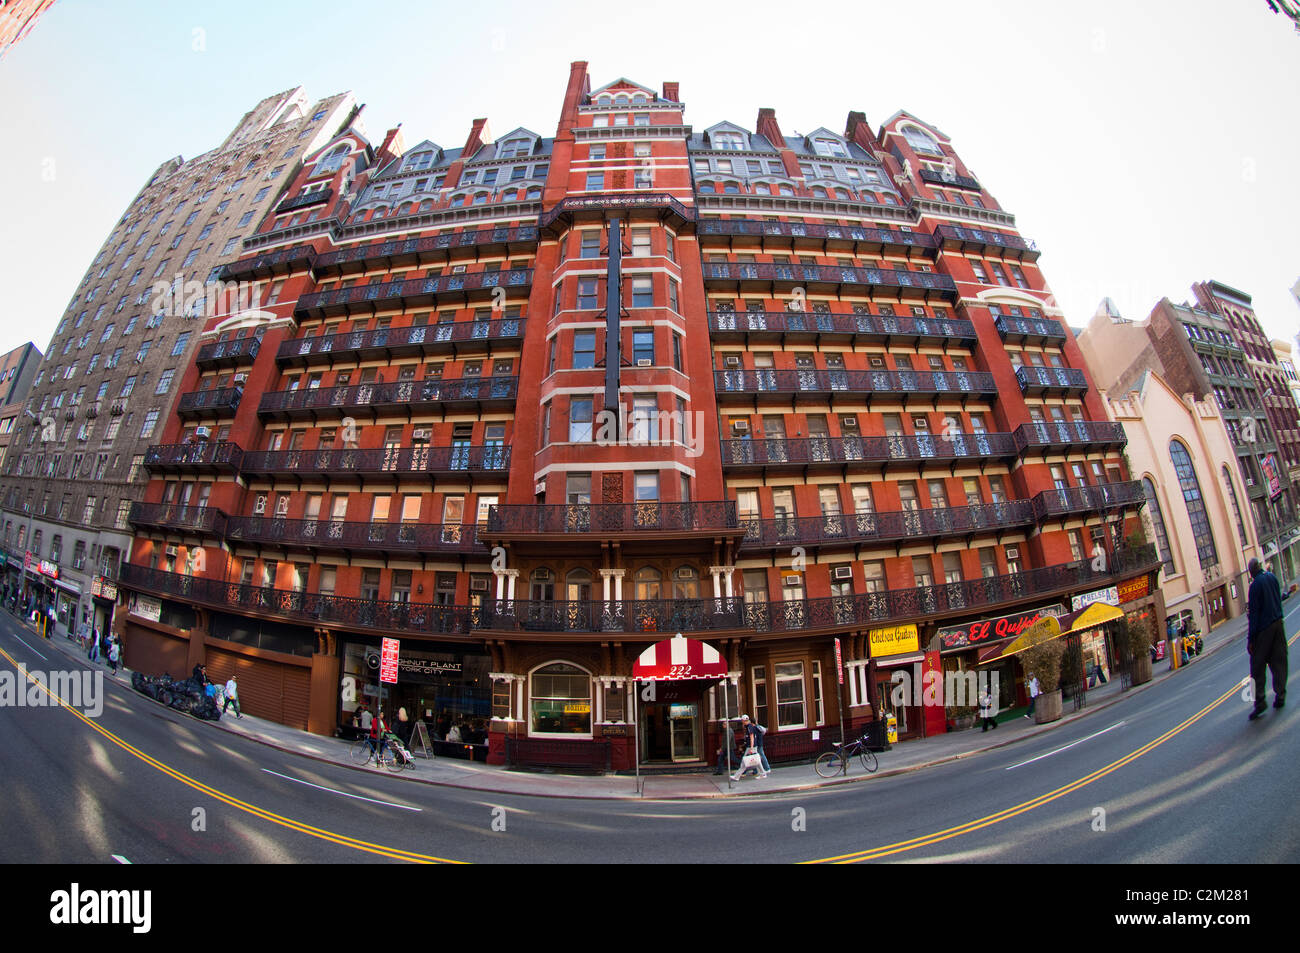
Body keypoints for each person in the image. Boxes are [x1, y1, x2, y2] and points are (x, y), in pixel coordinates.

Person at [1246, 557, 1288, 720]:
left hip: (1264, 629)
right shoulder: (1272, 577)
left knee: (1257, 668)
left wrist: (1251, 639)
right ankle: (1281, 695)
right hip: (1278, 623)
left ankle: (1260, 702)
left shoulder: (1255, 586)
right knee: (1279, 661)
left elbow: (1254, 615)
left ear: (1252, 571)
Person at [732, 714, 769, 779]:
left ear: (744, 720)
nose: (742, 722)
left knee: (744, 761)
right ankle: (763, 773)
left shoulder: (749, 727)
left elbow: (752, 737)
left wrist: (751, 747)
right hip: (751, 746)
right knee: (756, 761)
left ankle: (736, 776)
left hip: (751, 747)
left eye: (742, 720)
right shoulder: (748, 727)